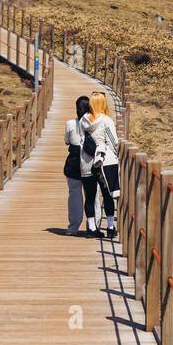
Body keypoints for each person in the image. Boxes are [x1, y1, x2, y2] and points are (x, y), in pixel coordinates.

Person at [78, 91, 120, 239]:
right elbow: (114, 143)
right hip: (103, 162)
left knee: (89, 196)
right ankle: (110, 227)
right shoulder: (106, 120)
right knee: (107, 195)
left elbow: (81, 141)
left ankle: (91, 228)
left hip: (86, 161)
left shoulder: (83, 120)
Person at [63, 96, 91, 235]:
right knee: (92, 194)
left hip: (73, 162)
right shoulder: (94, 123)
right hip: (89, 161)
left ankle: (73, 227)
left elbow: (67, 141)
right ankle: (93, 226)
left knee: (74, 194)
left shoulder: (70, 124)